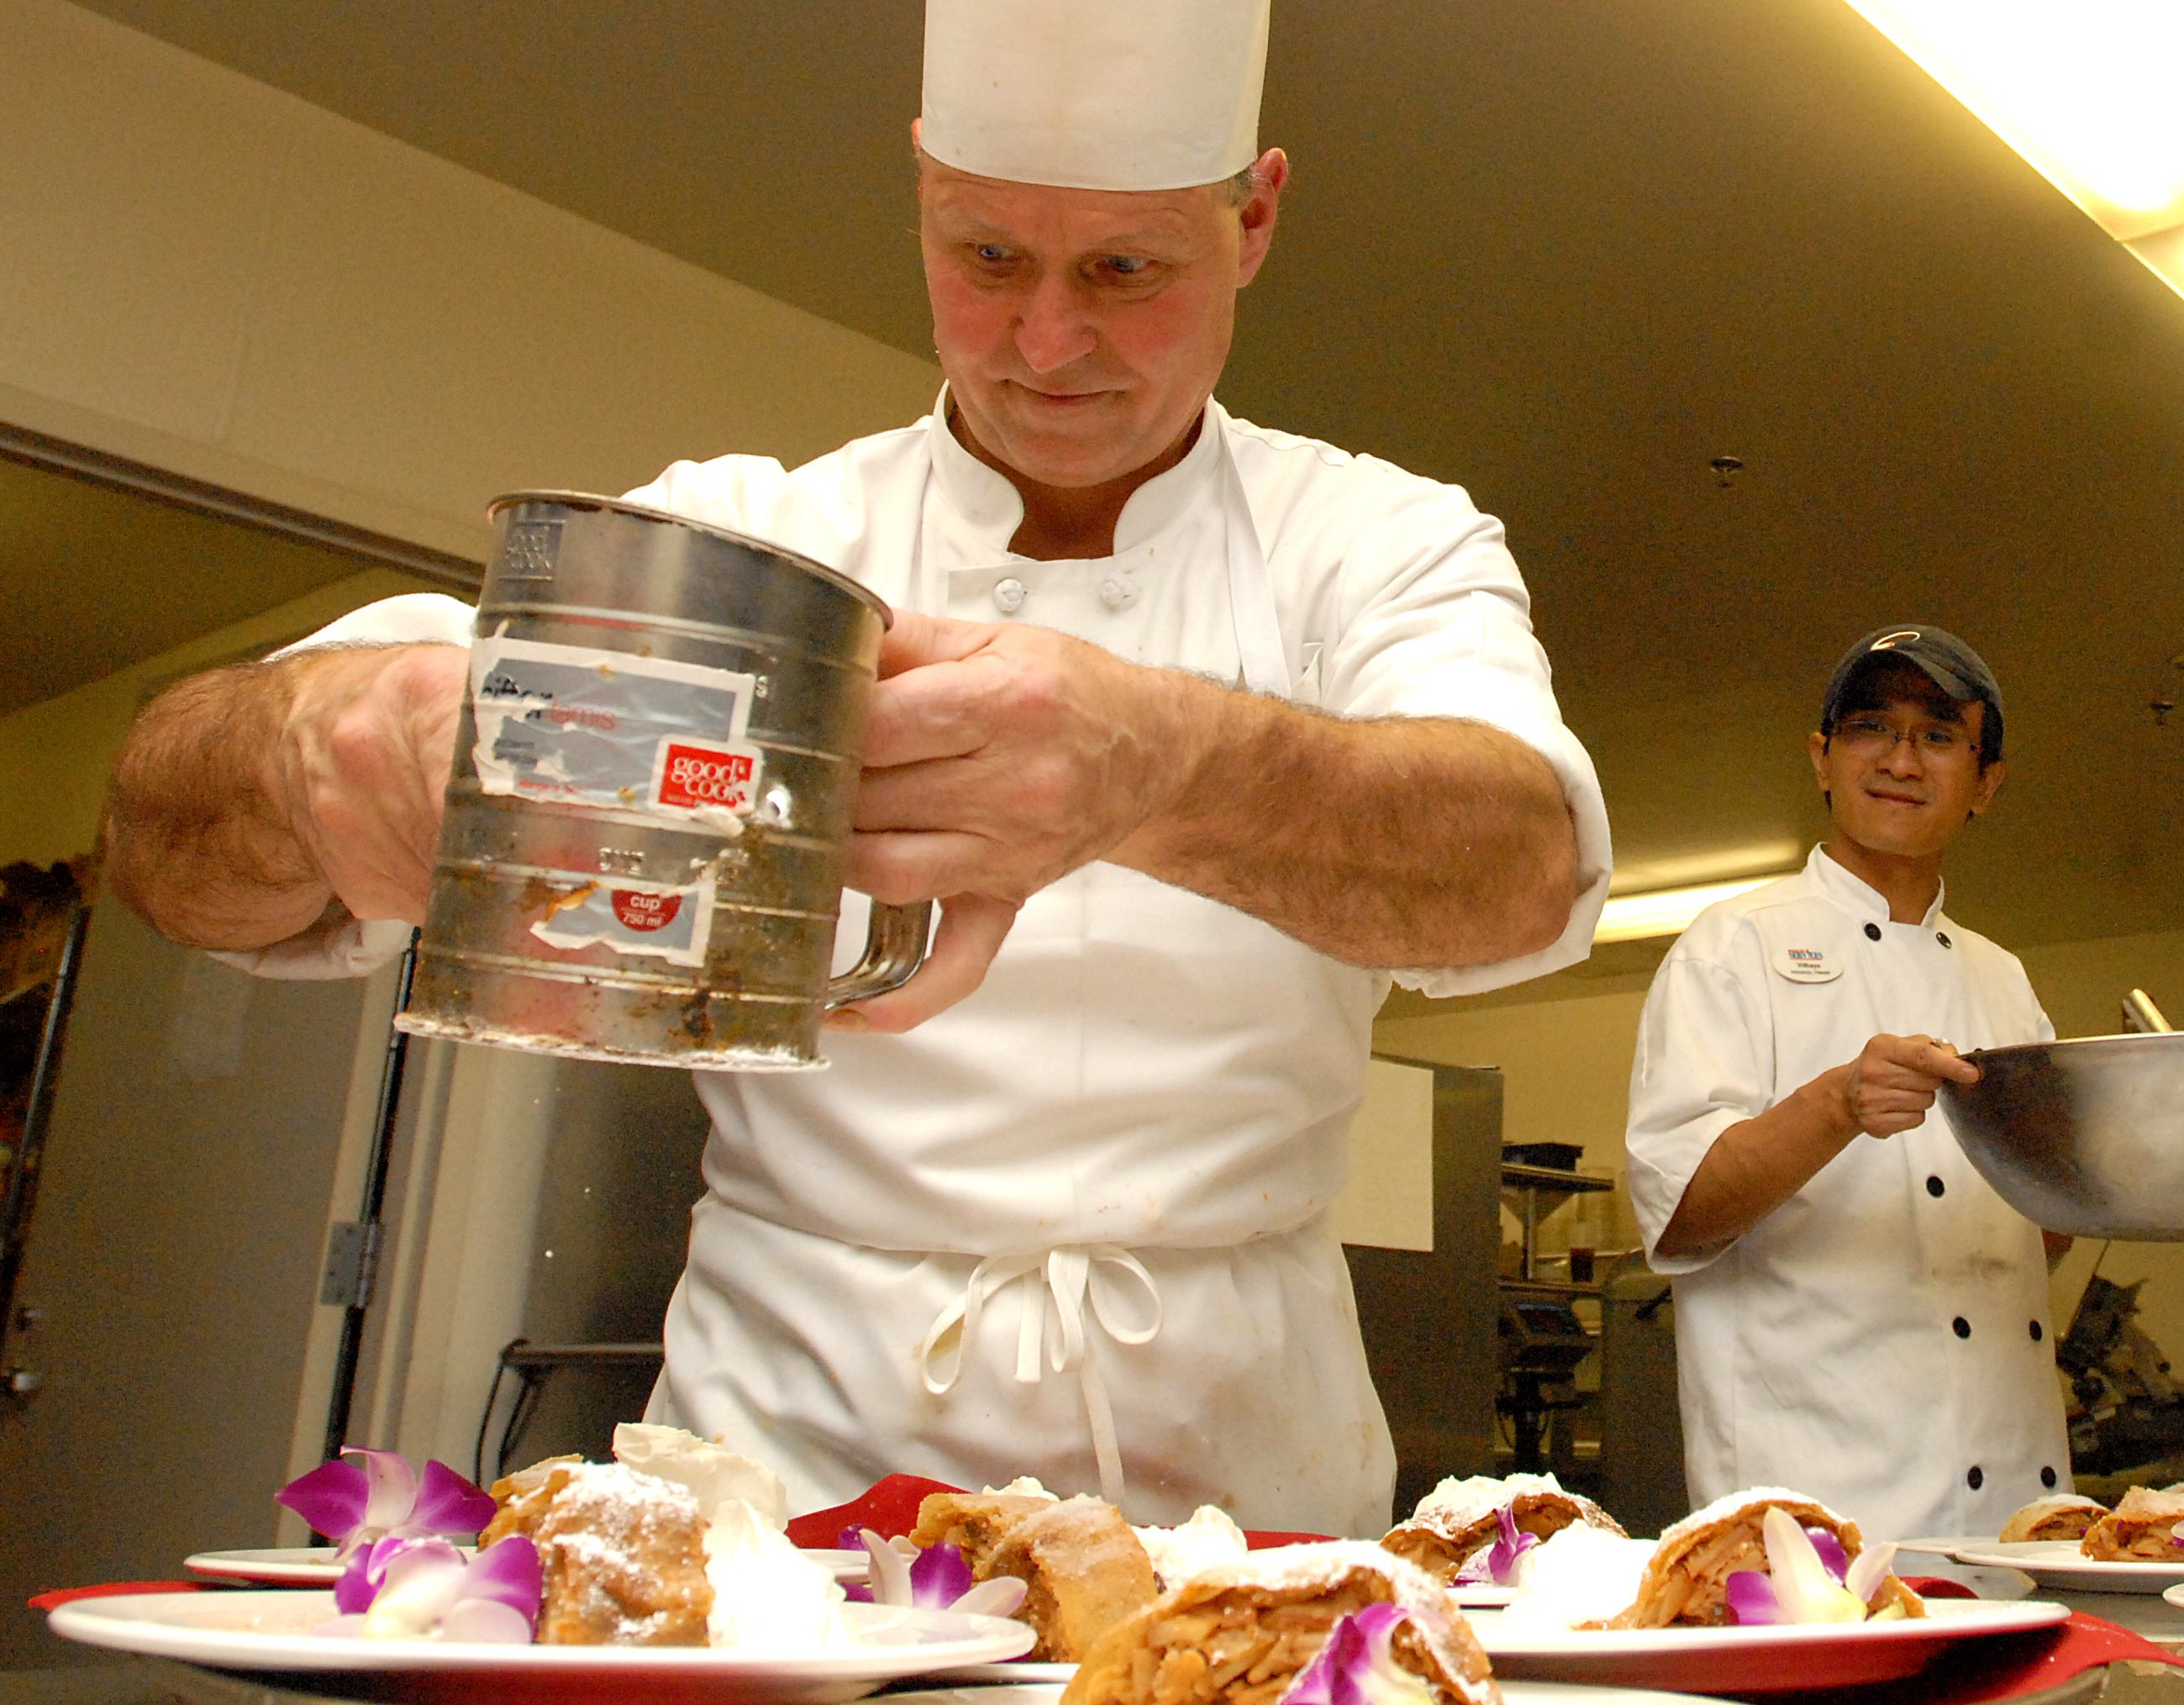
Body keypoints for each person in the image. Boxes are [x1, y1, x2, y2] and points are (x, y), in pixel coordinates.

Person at [101, 0, 1610, 1536]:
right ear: (921, 194)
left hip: (1241, 1475)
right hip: (787, 1463)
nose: (1046, 341)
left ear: (1255, 221)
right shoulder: (748, 541)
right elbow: (166, 846)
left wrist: (1165, 762)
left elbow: (1522, 869)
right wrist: (310, 745)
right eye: (986, 256)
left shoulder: (1372, 540)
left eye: (1124, 270)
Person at [1622, 625, 2068, 1547]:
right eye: (1871, 727)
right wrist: (1836, 1106)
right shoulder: (1732, 944)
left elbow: (2038, 1230)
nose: (1900, 760)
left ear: (1986, 783)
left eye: (1938, 736)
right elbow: (1677, 1214)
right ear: (1821, 757)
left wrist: (2114, 1160)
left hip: (2017, 1508)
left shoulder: (2001, 977)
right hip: (1816, 1514)